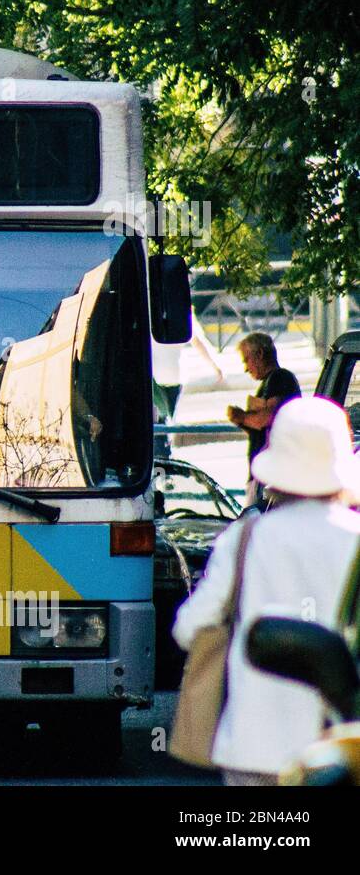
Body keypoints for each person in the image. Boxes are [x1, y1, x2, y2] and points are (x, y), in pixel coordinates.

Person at [173, 396, 360, 785]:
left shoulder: (245, 539)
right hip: (339, 752)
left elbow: (190, 627)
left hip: (251, 747)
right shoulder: (355, 540)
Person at [226, 332, 300, 507]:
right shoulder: (270, 382)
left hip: (271, 475)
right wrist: (242, 421)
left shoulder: (280, 378)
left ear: (259, 354)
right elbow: (260, 429)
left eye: (247, 360)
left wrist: (242, 416)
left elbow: (268, 419)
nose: (246, 368)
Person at [153, 306, 224, 458]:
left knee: (162, 418)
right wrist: (215, 366)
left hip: (156, 376)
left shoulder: (150, 313)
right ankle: (164, 456)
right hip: (175, 376)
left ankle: (163, 458)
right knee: (166, 418)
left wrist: (216, 366)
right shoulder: (182, 316)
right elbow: (198, 342)